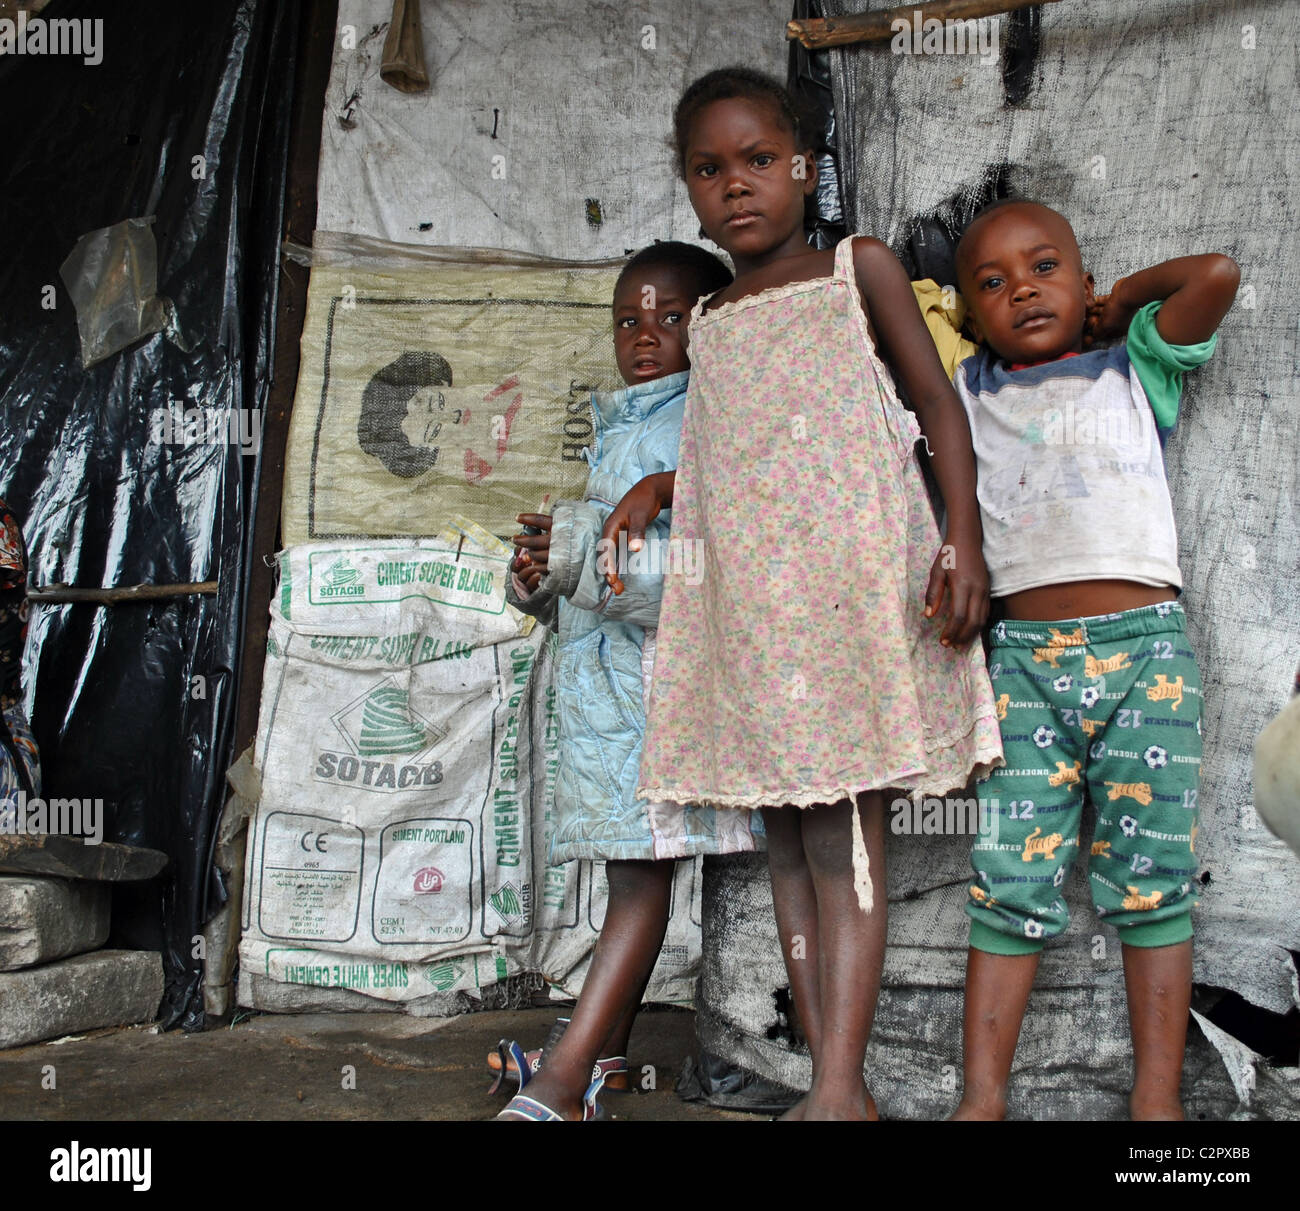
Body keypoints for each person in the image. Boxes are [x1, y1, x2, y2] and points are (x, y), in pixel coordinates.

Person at [603, 68, 1003, 1121]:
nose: (736, 184)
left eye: (758, 160)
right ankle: (838, 1078)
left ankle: (835, 1083)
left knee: (846, 841)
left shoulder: (852, 271)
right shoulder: (716, 317)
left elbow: (934, 404)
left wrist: (961, 539)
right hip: (759, 621)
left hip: (854, 606)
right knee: (786, 839)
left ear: (804, 168)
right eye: (708, 167)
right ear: (688, 184)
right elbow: (745, 459)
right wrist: (660, 482)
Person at [948, 198, 1239, 1120]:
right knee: (1008, 882)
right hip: (1022, 665)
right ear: (965, 312)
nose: (1022, 290)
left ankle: (1158, 1105)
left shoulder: (1134, 365)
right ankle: (981, 1102)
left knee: (1151, 887)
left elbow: (1215, 277)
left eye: (1045, 269)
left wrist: (1123, 302)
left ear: (1084, 281)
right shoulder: (967, 390)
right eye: (991, 283)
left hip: (1145, 659)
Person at [495, 240, 761, 1121]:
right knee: (633, 882)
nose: (645, 334)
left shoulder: (700, 422)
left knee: (640, 884)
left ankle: (567, 1082)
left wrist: (578, 554)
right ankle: (597, 1056)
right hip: (611, 705)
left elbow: (690, 578)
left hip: (658, 705)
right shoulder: (627, 424)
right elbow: (594, 580)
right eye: (627, 320)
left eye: (671, 317)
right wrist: (538, 579)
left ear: (712, 326)